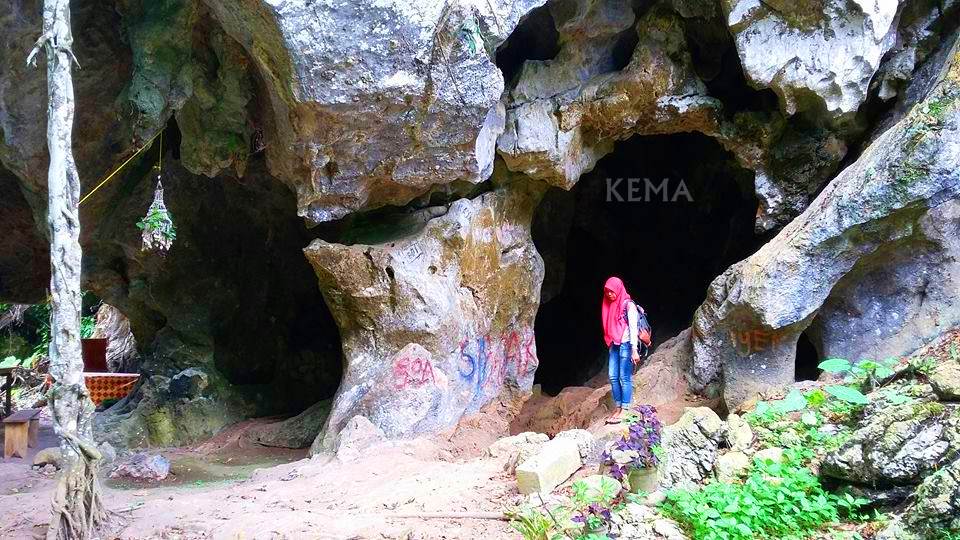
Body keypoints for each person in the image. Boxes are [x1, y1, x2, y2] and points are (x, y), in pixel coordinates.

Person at [601, 276, 642, 424]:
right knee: (613, 376)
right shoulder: (610, 305)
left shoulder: (628, 305)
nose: (610, 294)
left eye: (612, 291)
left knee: (624, 377)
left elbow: (633, 328)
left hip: (626, 344)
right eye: (607, 292)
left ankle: (625, 409)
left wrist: (634, 349)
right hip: (614, 344)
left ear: (618, 289)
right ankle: (618, 407)